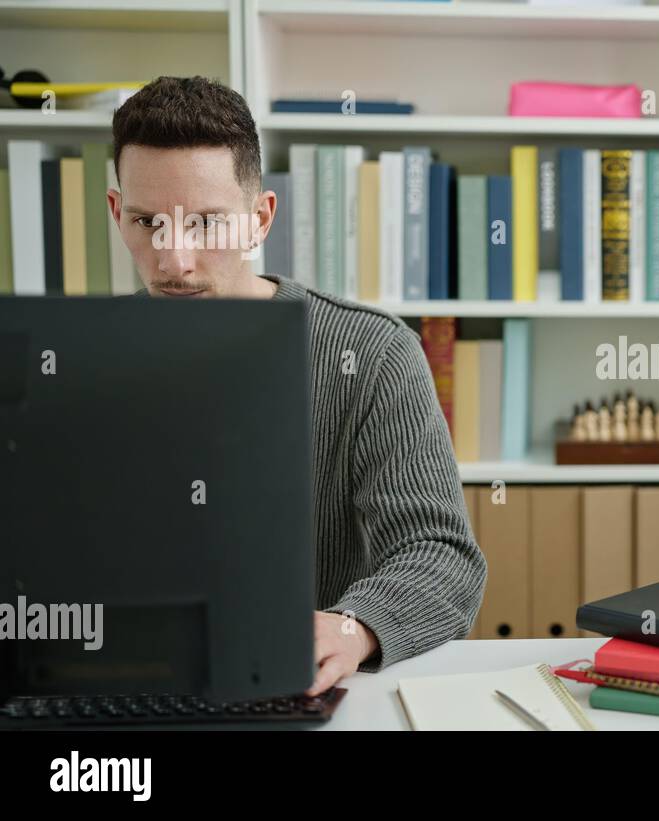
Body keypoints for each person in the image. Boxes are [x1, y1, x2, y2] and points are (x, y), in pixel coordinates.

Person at [108, 75, 487, 693]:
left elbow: (441, 555)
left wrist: (353, 627)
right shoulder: (73, 355)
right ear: (117, 214)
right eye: (149, 222)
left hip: (295, 687)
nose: (173, 261)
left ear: (260, 220)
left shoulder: (372, 354)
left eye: (206, 224)